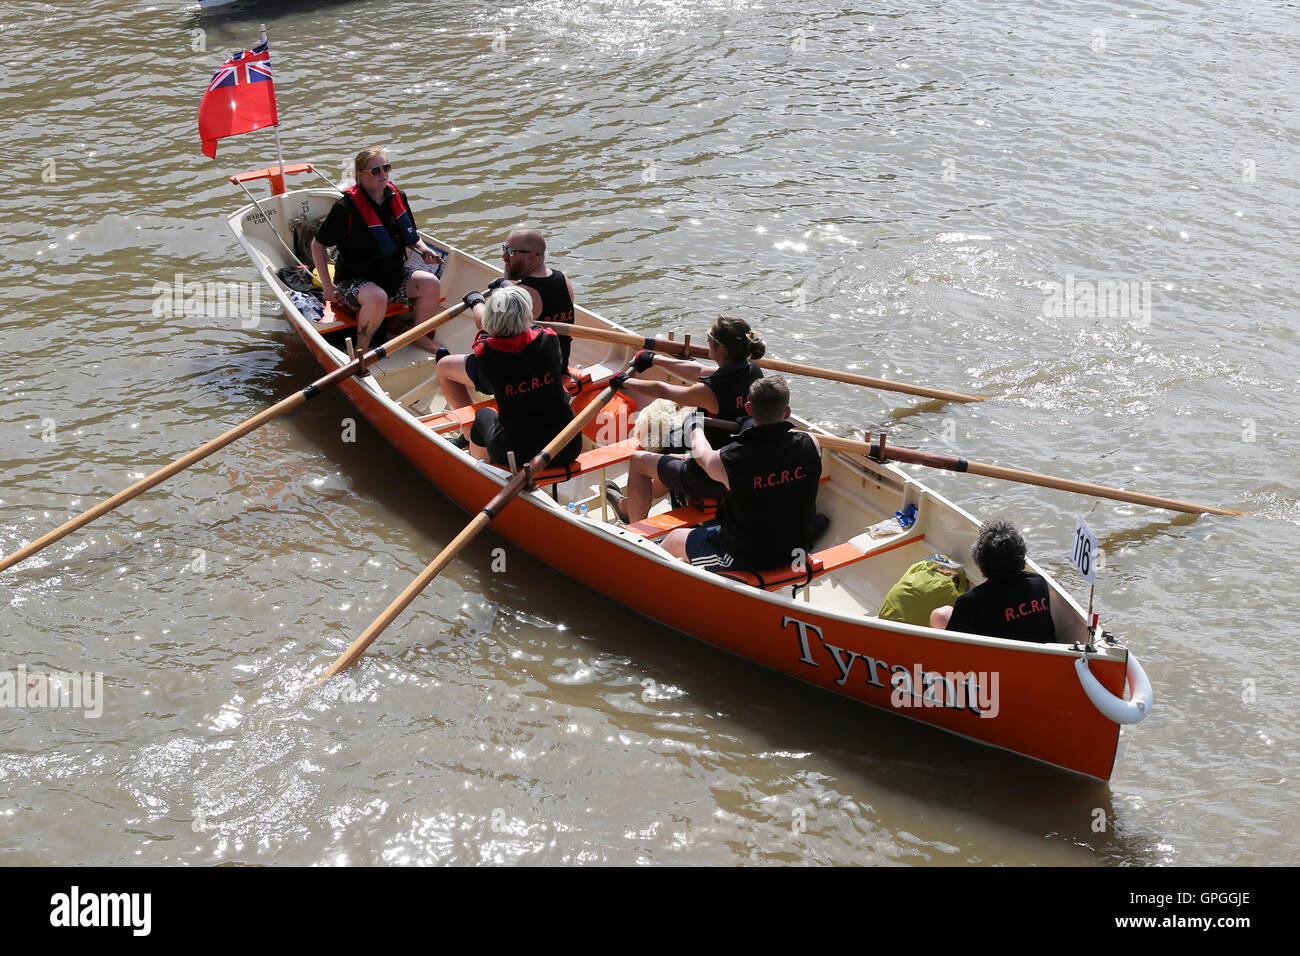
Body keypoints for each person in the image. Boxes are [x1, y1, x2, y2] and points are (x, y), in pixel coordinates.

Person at [605, 315, 765, 524]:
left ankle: (635, 528)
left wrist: (626, 383)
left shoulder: (710, 392)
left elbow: (663, 390)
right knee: (673, 452)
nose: (706, 341)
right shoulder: (753, 371)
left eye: (709, 337)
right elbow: (697, 370)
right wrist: (654, 359)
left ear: (721, 349)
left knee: (638, 462)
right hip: (739, 464)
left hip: (708, 474)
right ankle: (628, 504)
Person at [658, 376, 821, 574]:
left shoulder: (730, 459)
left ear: (749, 409)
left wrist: (694, 425)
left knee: (672, 540)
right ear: (787, 411)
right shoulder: (811, 444)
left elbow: (701, 455)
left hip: (747, 558)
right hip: (797, 550)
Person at [311, 147, 444, 358]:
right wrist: (328, 286)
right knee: (377, 297)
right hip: (354, 283)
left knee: (431, 283)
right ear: (359, 175)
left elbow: (412, 235)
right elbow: (317, 245)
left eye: (386, 168)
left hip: (392, 277)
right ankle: (361, 351)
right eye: (375, 171)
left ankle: (418, 334)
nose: (383, 174)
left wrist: (423, 248)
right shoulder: (345, 208)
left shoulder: (397, 197)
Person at [435, 285, 582, 469]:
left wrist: (476, 302)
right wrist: (509, 290)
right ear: (527, 315)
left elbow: (483, 325)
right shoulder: (549, 340)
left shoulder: (486, 353)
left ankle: (479, 460)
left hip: (518, 454)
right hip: (568, 446)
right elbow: (533, 327)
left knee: (482, 416)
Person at [930, 518, 1087, 644]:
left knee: (940, 614)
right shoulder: (1038, 583)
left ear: (979, 560)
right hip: (1039, 663)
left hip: (995, 670)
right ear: (1021, 554)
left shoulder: (970, 602)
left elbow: (955, 646)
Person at [500, 229, 578, 367]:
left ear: (530, 257)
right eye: (505, 249)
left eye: (511, 251)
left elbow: (487, 328)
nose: (504, 256)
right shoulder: (563, 279)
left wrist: (476, 302)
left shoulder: (523, 294)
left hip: (532, 377)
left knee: (447, 364)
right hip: (559, 367)